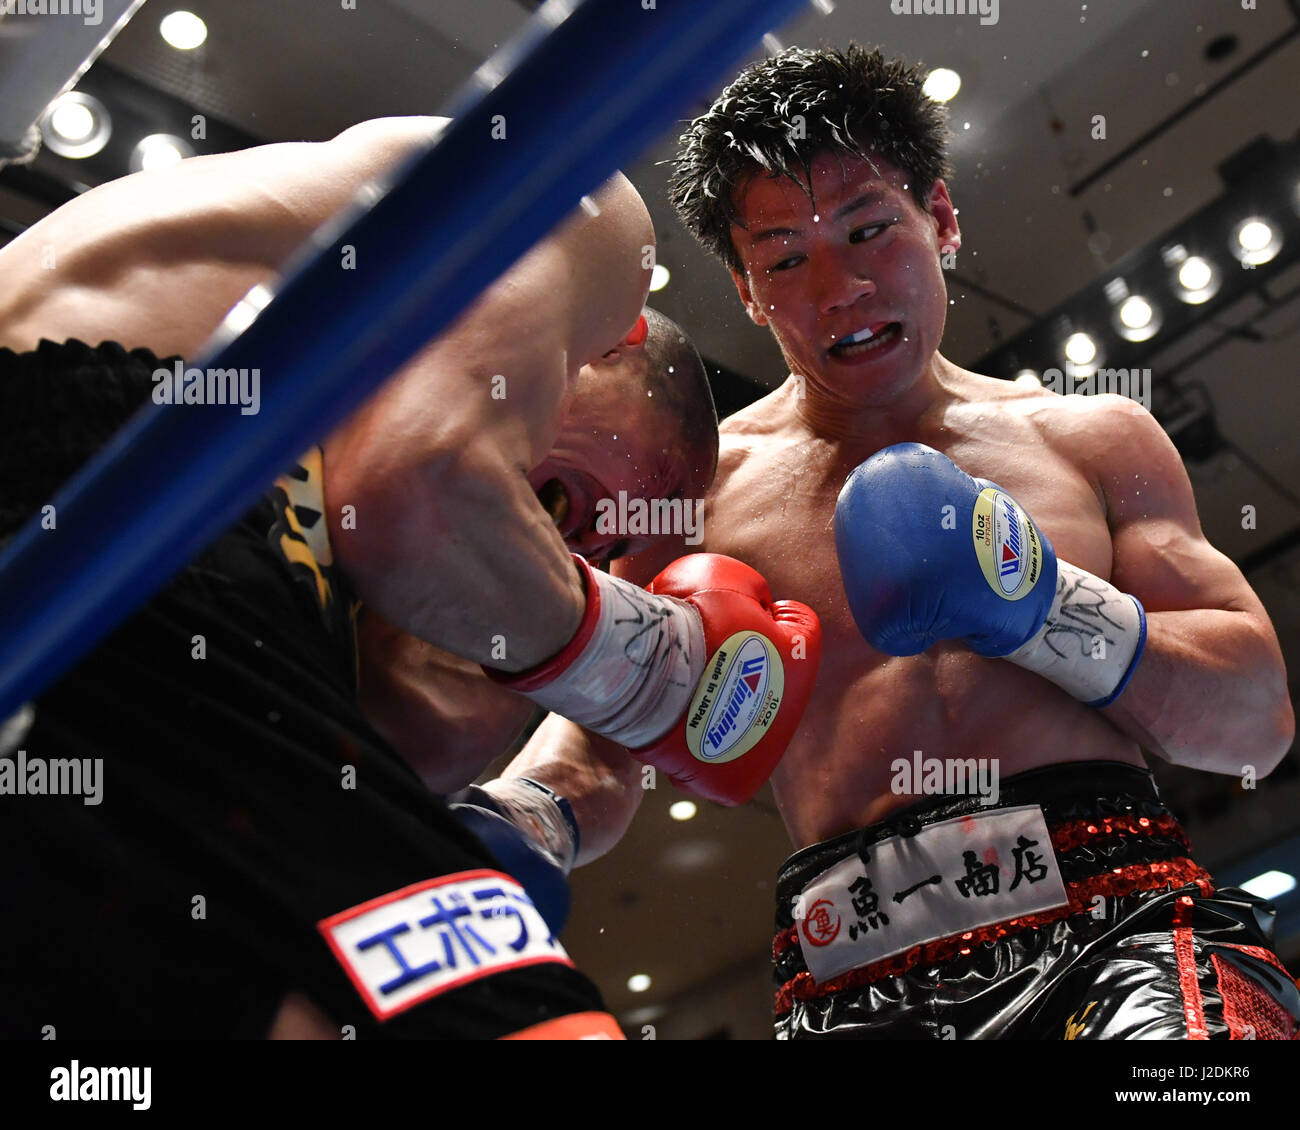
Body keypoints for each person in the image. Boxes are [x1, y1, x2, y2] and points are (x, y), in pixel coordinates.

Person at [520, 45, 1298, 1040]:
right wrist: (519, 820)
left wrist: (1037, 603)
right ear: (746, 289)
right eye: (785, 258)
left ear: (939, 217)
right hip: (849, 967)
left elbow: (1253, 722)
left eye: (869, 229)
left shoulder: (1092, 438)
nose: (838, 287)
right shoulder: (700, 495)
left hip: (1114, 918)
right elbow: (596, 733)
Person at [0, 116, 819, 1038]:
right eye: (570, 506)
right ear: (609, 347)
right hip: (98, 450)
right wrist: (648, 674)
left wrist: (544, 808)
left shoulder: (331, 499)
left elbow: (402, 747)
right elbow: (422, 499)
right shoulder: (586, 221)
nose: (573, 549)